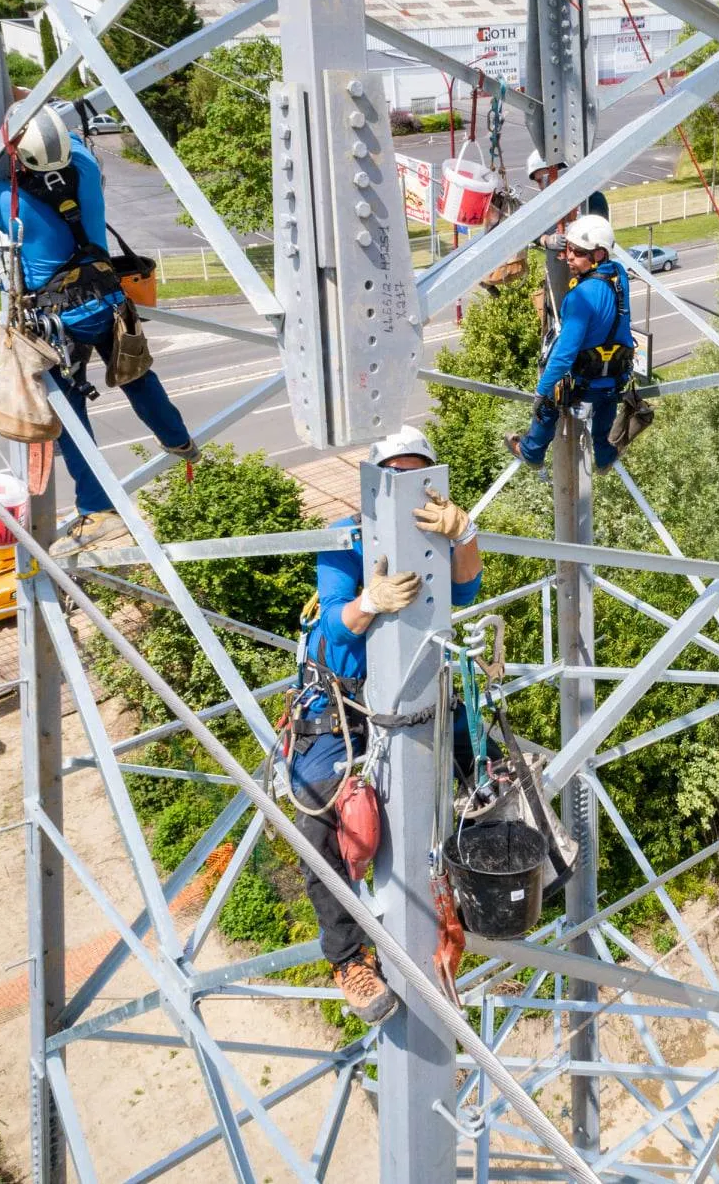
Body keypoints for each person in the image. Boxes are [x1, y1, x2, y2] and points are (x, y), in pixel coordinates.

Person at [286, 427, 482, 1025]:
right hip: (344, 708)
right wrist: (368, 602)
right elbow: (337, 635)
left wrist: (464, 533)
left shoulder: (436, 527)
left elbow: (466, 584)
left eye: (416, 472)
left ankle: (479, 892)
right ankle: (348, 956)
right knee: (318, 821)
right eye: (394, 473)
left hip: (420, 693)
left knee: (486, 781)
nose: (406, 485)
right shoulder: (345, 540)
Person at [0, 108, 198, 554]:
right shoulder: (83, 165)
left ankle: (99, 509)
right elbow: (69, 138)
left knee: (72, 414)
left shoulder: (7, 198)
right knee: (139, 378)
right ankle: (179, 440)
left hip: (60, 323)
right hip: (109, 303)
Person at [506, 213, 635, 475]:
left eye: (577, 252)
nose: (569, 256)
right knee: (605, 400)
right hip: (616, 376)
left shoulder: (580, 298)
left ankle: (532, 451)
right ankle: (604, 456)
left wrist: (541, 392)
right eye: (568, 249)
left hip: (586, 382)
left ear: (598, 255)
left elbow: (564, 355)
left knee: (552, 397)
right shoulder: (619, 276)